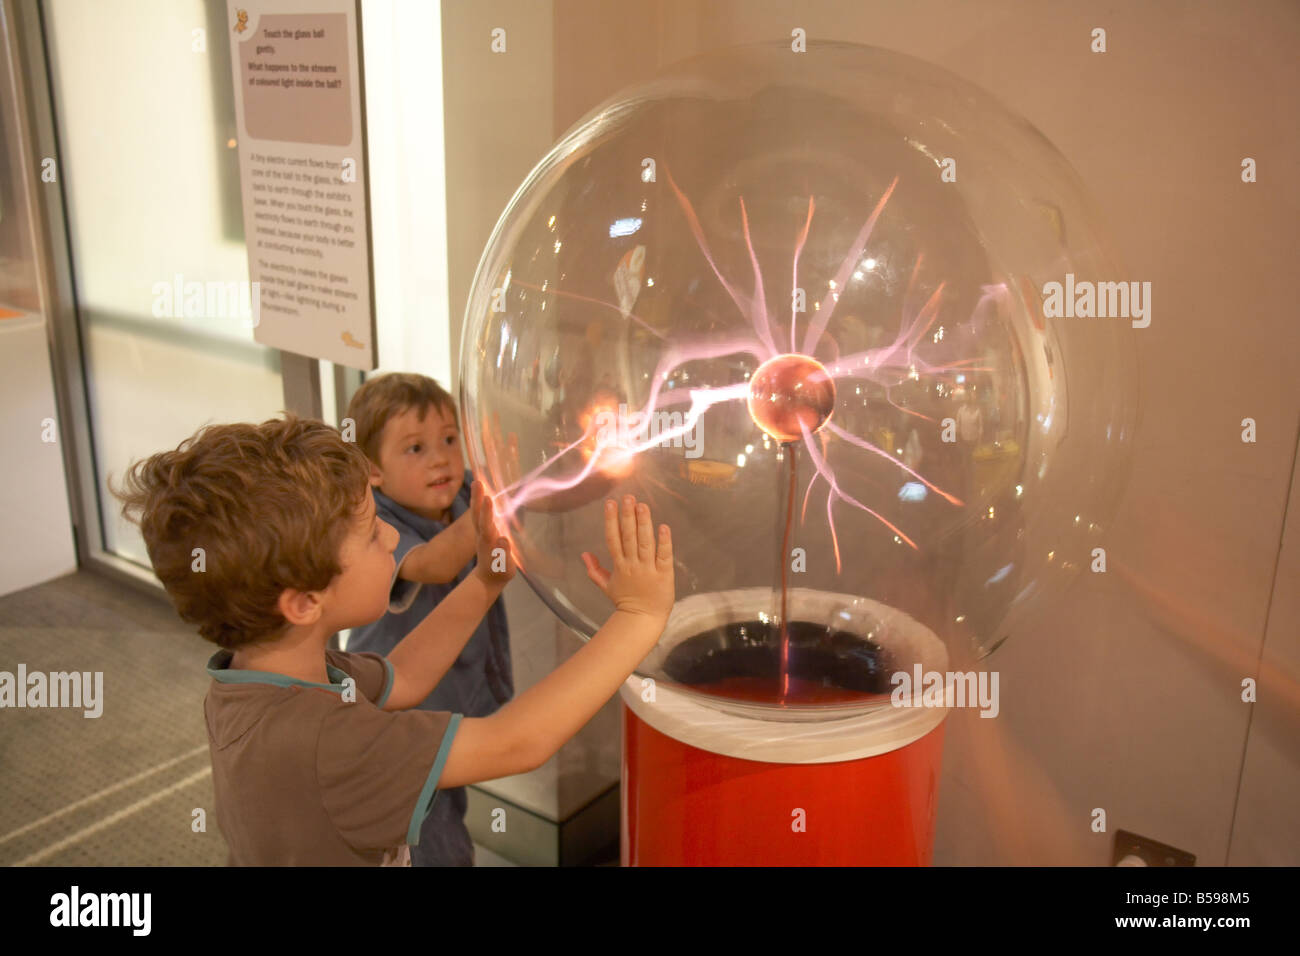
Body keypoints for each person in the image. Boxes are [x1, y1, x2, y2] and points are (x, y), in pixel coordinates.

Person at [113, 415, 674, 866]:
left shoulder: (260, 678)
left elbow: (402, 676)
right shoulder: (326, 743)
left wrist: (483, 581)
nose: (388, 534)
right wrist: (639, 617)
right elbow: (515, 742)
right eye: (368, 531)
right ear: (304, 600)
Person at [342, 373, 509, 866]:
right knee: (431, 841)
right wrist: (504, 492)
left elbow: (543, 494)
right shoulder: (378, 526)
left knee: (445, 808)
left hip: (441, 711)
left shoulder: (464, 496)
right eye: (415, 449)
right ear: (372, 470)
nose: (440, 458)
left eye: (450, 440)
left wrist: (587, 469)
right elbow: (437, 562)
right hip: (393, 727)